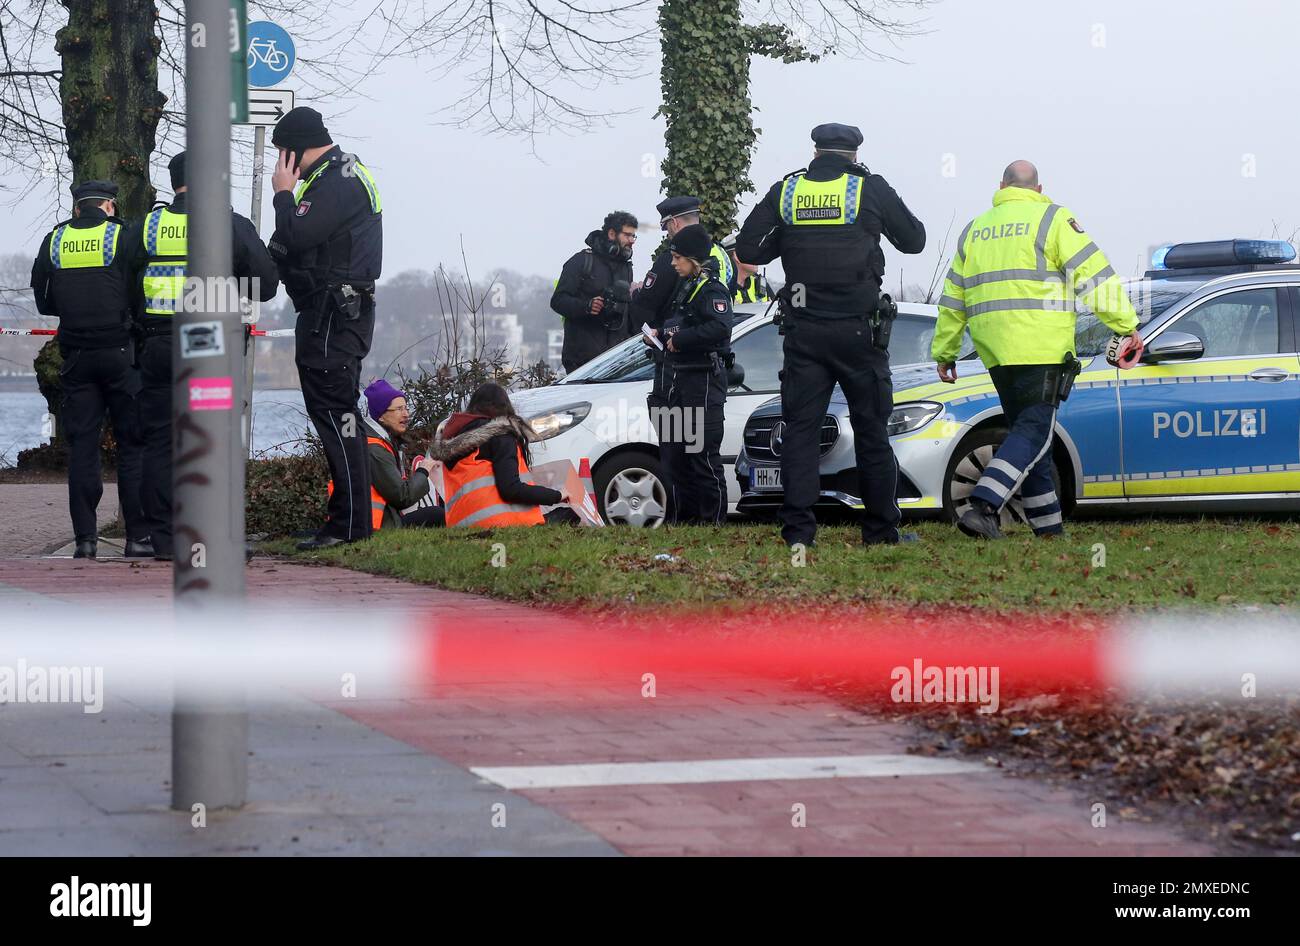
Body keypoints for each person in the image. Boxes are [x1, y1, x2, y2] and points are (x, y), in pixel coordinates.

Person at [736, 122, 926, 548]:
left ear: (815, 151)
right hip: (860, 331)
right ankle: (880, 532)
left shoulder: (787, 190)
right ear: (853, 155)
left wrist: (789, 238)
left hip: (804, 333)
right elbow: (914, 241)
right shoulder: (869, 188)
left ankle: (799, 534)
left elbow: (749, 250)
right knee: (872, 430)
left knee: (800, 432)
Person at [932, 160, 1140, 540]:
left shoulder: (974, 230)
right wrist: (1126, 326)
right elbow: (1094, 277)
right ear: (1039, 189)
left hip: (995, 353)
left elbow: (952, 298)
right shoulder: (1053, 219)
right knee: (1034, 432)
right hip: (1041, 348)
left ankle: (1049, 531)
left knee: (1029, 438)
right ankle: (984, 506)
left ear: (1001, 186)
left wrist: (945, 350)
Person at [132, 151, 280, 560]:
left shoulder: (148, 225)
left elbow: (124, 279)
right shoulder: (227, 224)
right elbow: (265, 286)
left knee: (160, 442)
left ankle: (163, 539)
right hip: (209, 349)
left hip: (159, 346)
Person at [266, 106, 383, 551]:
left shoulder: (338, 179)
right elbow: (297, 242)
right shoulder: (340, 174)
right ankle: (347, 519)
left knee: (337, 416)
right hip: (333, 312)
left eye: (282, 154)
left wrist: (282, 194)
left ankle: (349, 525)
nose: (280, 164)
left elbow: (296, 235)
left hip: (334, 315)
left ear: (296, 150)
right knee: (337, 416)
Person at [29, 180, 150, 560]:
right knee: (133, 446)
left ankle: (85, 540)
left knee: (82, 448)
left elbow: (43, 299)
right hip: (120, 352)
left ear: (77, 208)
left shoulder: (55, 240)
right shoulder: (123, 237)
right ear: (109, 206)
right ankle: (137, 538)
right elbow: (138, 289)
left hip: (77, 356)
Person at [628, 196, 736, 521]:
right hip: (676, 382)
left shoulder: (710, 289)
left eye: (677, 257)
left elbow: (719, 327)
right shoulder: (685, 287)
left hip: (700, 383)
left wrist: (681, 338)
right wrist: (660, 334)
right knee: (675, 457)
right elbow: (677, 320)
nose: (672, 263)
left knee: (701, 457)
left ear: (691, 258)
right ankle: (683, 522)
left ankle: (712, 524)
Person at [429, 382, 578, 527]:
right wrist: (558, 495)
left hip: (460, 524)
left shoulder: (453, 441)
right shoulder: (501, 435)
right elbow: (510, 489)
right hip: (498, 522)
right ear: (505, 407)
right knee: (570, 514)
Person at [550, 211, 638, 372]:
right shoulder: (581, 261)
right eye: (627, 235)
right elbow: (558, 301)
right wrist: (586, 306)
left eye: (634, 236)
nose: (632, 241)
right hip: (582, 361)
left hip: (617, 360)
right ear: (612, 234)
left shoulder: (626, 267)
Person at [355, 379, 444, 529]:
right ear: (381, 415)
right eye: (398, 409)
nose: (406, 414)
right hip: (381, 525)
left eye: (406, 408)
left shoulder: (381, 440)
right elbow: (402, 496)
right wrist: (423, 470)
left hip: (380, 519)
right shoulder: (375, 449)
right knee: (438, 514)